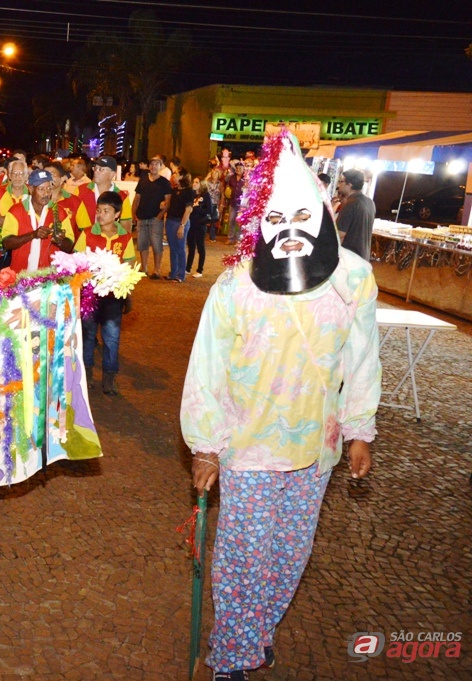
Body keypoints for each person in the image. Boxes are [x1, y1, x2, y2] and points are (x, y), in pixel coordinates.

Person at [182, 131, 380, 681]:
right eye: (278, 220)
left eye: (302, 216)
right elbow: (208, 367)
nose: (291, 234)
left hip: (316, 448)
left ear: (320, 212)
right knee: (245, 558)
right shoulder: (234, 287)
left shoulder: (354, 281)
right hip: (250, 446)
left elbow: (363, 358)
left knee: (290, 555)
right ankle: (233, 656)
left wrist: (360, 429)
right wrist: (206, 445)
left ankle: (255, 632)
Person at [74, 191, 134, 395]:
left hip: (113, 297)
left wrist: (127, 294)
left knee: (111, 338)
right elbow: (76, 259)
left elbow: (129, 265)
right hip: (89, 295)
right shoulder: (88, 234)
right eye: (99, 210)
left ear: (117, 214)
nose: (101, 215)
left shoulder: (125, 238)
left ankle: (109, 375)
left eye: (106, 211)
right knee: (88, 335)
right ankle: (87, 372)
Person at [0, 168, 74, 273]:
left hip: (50, 276)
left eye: (49, 188)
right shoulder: (16, 211)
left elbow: (69, 246)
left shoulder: (59, 212)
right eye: (41, 189)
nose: (46, 193)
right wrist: (33, 235)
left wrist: (60, 241)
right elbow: (7, 243)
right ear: (31, 189)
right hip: (20, 276)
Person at [131, 157, 171, 279]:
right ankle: (144, 268)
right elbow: (137, 198)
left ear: (160, 166)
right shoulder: (142, 180)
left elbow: (168, 201)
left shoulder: (164, 182)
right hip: (142, 217)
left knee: (156, 245)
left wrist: (159, 216)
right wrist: (133, 214)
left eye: (156, 164)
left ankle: (157, 270)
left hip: (155, 218)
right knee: (142, 244)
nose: (153, 166)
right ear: (149, 166)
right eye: (152, 164)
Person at [75, 156, 133, 229]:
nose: (96, 172)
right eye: (95, 168)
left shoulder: (122, 197)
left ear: (113, 174)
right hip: (82, 239)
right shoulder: (80, 191)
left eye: (101, 169)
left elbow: (126, 228)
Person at [336, 169, 375, 261]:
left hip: (350, 257)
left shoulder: (351, 204)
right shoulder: (370, 202)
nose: (339, 185)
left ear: (350, 185)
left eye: (341, 181)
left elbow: (340, 234)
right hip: (363, 256)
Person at [165, 172, 193, 282]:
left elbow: (188, 209)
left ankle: (181, 274)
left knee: (180, 248)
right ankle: (173, 272)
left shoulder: (188, 191)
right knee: (172, 248)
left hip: (180, 221)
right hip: (171, 220)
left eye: (177, 174)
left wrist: (182, 225)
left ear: (182, 177)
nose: (174, 176)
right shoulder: (175, 190)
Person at [186, 177, 213, 278]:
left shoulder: (205, 195)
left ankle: (200, 269)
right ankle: (187, 268)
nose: (194, 184)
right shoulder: (191, 194)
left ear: (201, 184)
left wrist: (197, 209)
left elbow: (209, 210)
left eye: (197, 182)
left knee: (200, 247)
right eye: (193, 182)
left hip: (200, 223)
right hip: (190, 222)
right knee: (191, 246)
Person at [226, 162, 247, 244]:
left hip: (242, 204)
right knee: (231, 220)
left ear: (243, 169)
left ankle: (238, 239)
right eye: (237, 168)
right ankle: (230, 238)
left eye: (240, 168)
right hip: (233, 202)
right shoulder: (231, 178)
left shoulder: (246, 178)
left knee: (240, 222)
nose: (238, 170)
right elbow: (228, 187)